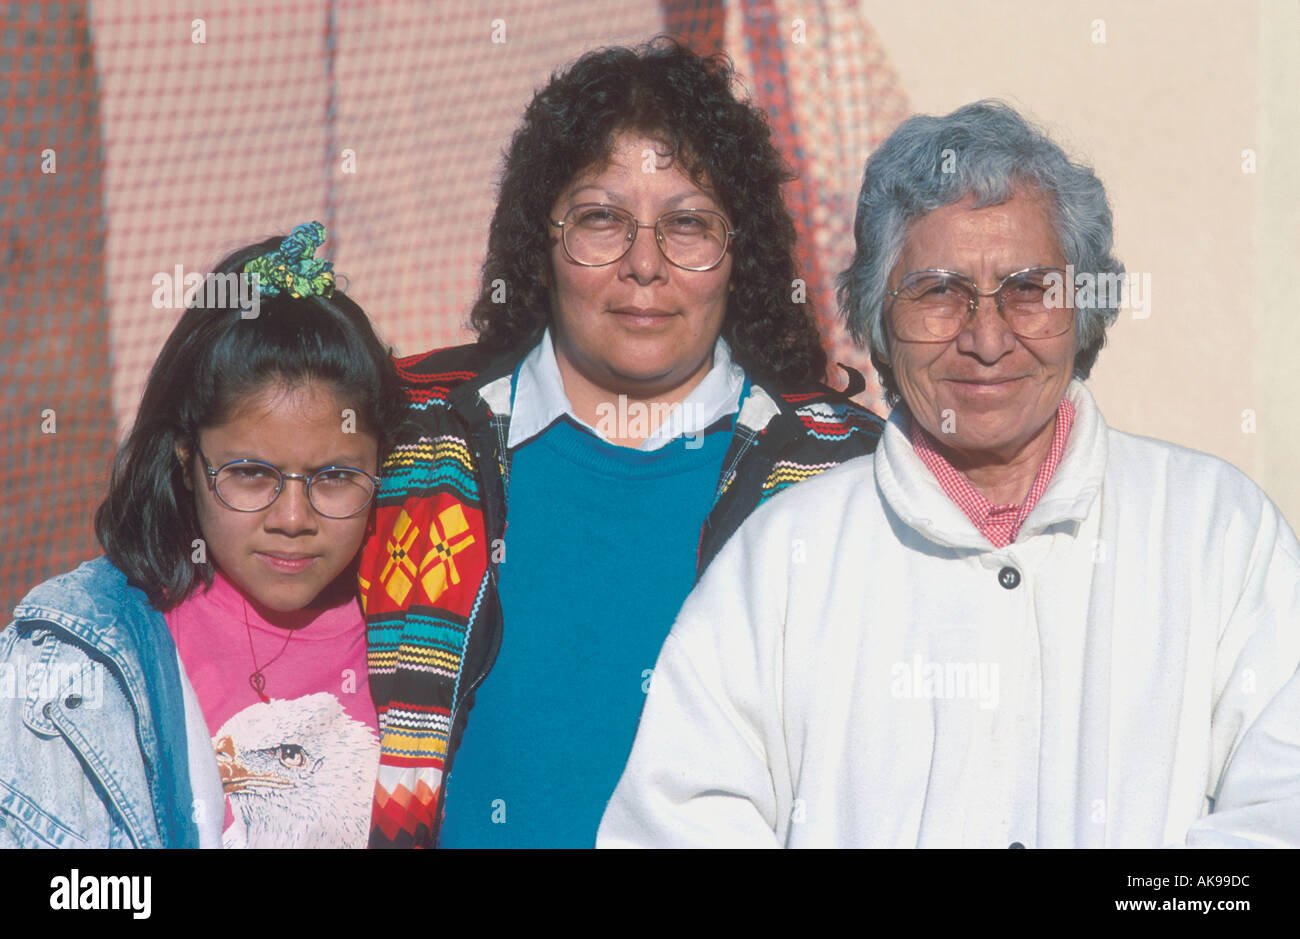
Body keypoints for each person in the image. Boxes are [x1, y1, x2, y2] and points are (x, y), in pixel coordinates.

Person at [597, 100, 1300, 848]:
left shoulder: (1217, 533)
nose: (987, 338)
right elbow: (676, 824)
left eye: (1029, 289)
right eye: (938, 291)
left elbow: (1277, 815)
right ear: (876, 318)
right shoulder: (784, 559)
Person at [358, 38, 885, 848]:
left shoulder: (845, 469)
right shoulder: (405, 435)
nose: (645, 264)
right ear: (542, 237)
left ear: (738, 255)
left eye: (688, 224)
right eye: (602, 219)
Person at [0, 223, 405, 848]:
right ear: (185, 459)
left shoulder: (432, 634)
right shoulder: (78, 661)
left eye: (335, 477)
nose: (293, 518)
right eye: (249, 474)